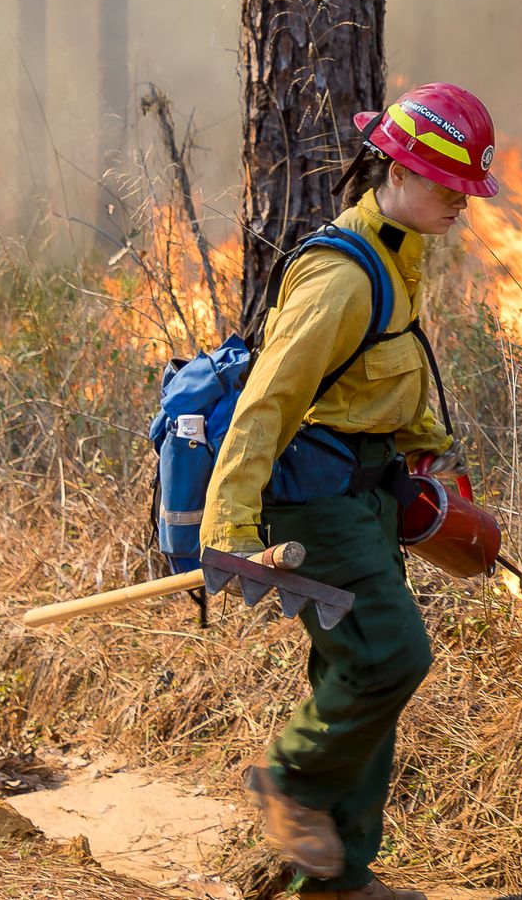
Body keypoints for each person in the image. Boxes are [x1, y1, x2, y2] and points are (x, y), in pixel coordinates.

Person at [201, 85, 501, 899]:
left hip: (367, 496)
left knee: (361, 682)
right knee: (390, 656)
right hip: (314, 506)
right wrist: (228, 523)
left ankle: (336, 880)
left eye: (464, 192)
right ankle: (289, 783)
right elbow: (267, 401)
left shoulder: (399, 253)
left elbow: (380, 375)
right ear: (399, 168)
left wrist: (427, 448)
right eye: (448, 188)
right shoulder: (340, 278)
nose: (458, 207)